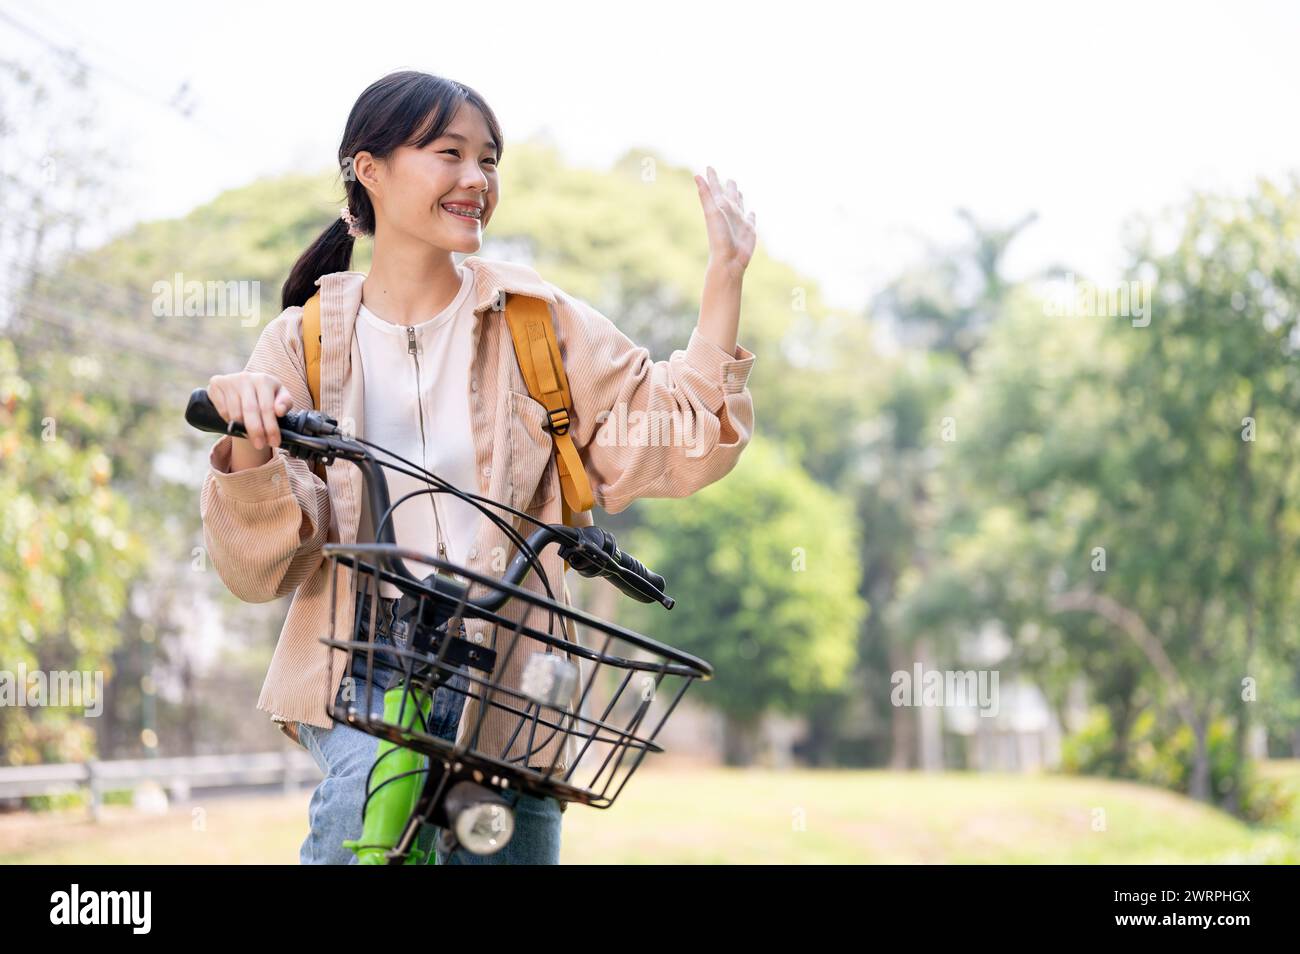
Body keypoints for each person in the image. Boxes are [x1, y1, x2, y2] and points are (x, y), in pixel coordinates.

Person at [198, 70, 758, 864]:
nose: (477, 180)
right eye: (448, 153)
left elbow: (674, 439)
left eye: (489, 160)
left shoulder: (536, 322)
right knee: (369, 805)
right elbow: (259, 565)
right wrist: (250, 433)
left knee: (507, 846)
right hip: (364, 665)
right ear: (371, 171)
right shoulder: (306, 340)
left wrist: (723, 285)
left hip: (514, 674)